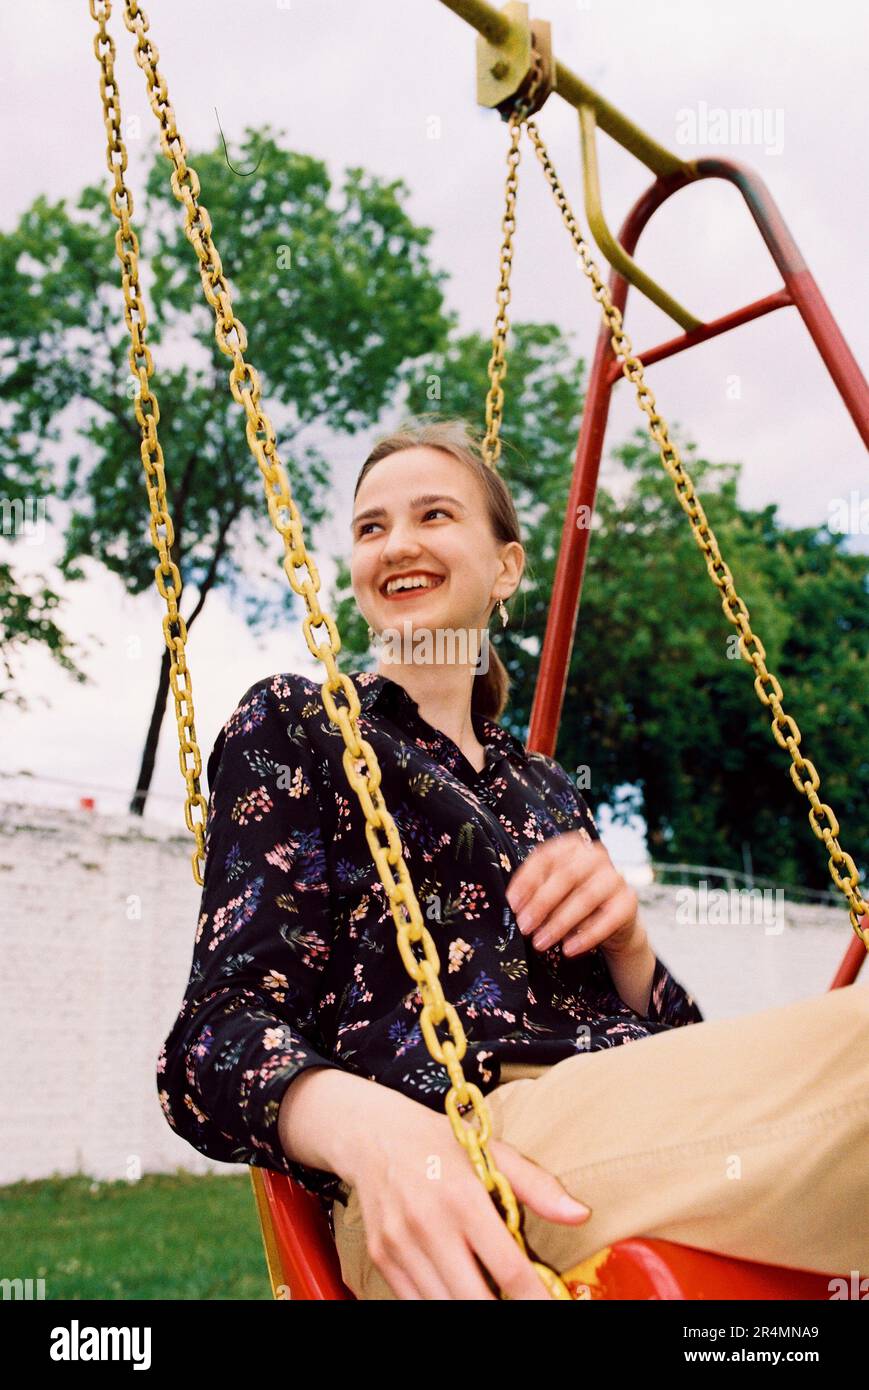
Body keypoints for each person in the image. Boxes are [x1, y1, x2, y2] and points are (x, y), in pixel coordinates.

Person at [157, 416, 869, 1301]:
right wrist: (376, 1137)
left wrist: (629, 948)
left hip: (611, 1119)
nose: (397, 544)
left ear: (506, 568)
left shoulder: (545, 790)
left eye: (433, 515)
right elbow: (209, 1039)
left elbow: (681, 1052)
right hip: (458, 1158)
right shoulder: (300, 726)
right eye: (371, 527)